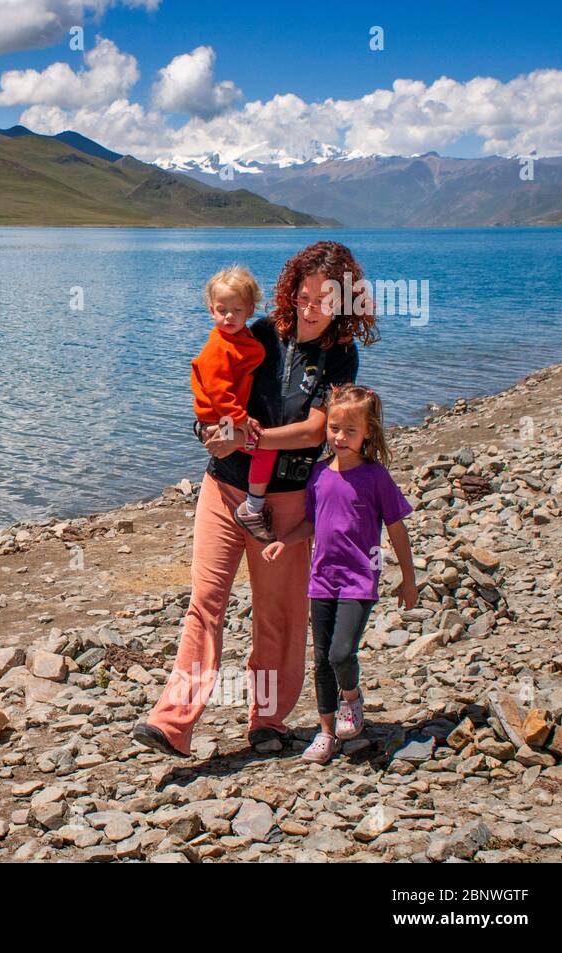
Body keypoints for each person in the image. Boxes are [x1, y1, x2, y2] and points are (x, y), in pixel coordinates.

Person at [133, 241, 378, 758]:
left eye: (324, 301)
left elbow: (316, 430)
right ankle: (172, 722)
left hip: (288, 501)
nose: (310, 309)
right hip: (224, 487)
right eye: (303, 297)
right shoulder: (258, 332)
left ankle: (268, 720)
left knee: (280, 614)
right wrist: (209, 432)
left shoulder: (339, 355)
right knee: (205, 603)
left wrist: (253, 439)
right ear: (290, 291)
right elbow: (211, 388)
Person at [262, 384, 417, 762]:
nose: (340, 437)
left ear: (368, 433)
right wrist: (285, 540)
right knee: (321, 660)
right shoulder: (317, 474)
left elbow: (396, 526)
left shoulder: (375, 476)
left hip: (360, 579)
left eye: (350, 430)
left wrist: (408, 578)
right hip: (322, 580)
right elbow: (313, 523)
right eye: (334, 428)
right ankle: (327, 732)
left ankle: (353, 699)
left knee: (341, 653)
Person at [190, 266, 278, 542]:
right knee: (264, 450)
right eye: (221, 309)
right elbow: (219, 393)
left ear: (250, 310)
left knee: (259, 448)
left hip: (227, 416)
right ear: (211, 309)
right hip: (220, 419)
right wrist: (240, 420)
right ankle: (252, 507)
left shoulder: (241, 338)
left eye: (237, 310)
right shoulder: (219, 347)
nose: (229, 316)